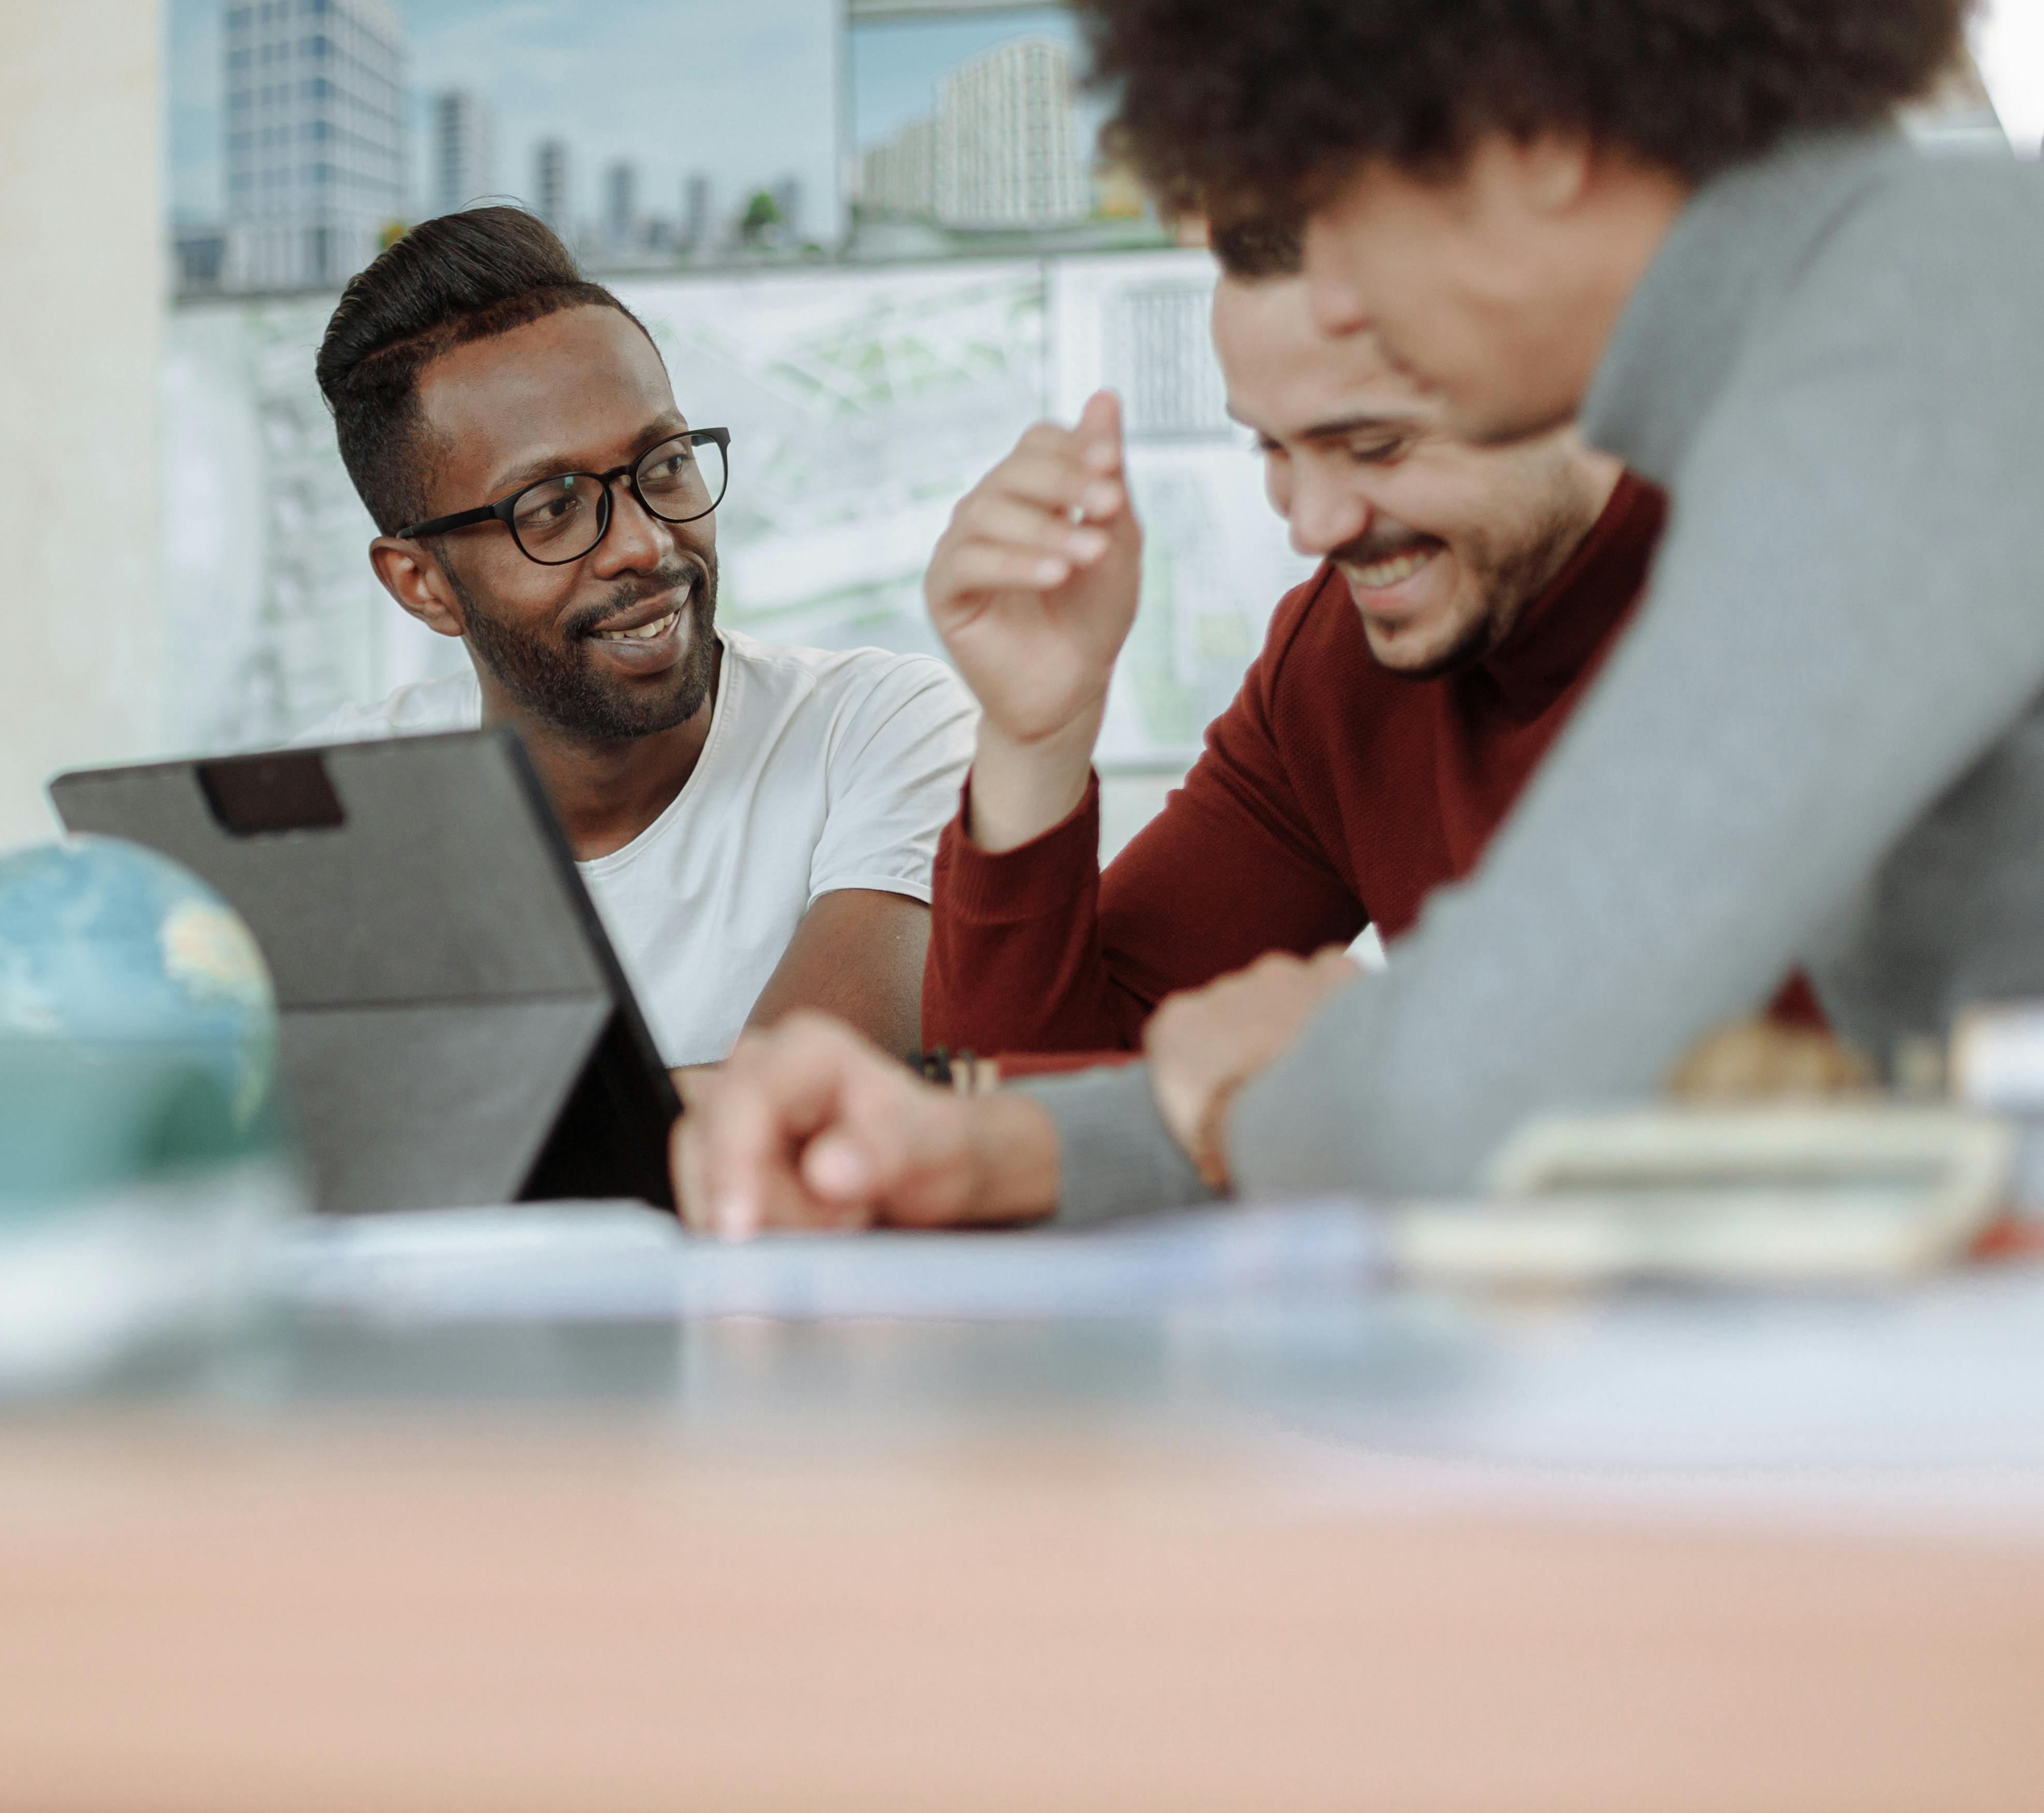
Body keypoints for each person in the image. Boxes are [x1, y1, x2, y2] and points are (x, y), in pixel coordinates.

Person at [673, 0, 2044, 1239]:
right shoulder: (1871, 324)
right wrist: (980, 1150)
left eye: (1343, 215)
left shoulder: (1932, 326)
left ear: (1533, 137)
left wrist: (1315, 1068)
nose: (1333, 298)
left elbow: (1489, 1079)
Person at [924, 217, 1657, 1063]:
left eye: (1375, 446)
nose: (1311, 526)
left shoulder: (1806, 591)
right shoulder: (1341, 663)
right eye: (1272, 445)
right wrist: (1032, 740)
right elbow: (1022, 1110)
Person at [305, 207, 976, 1068]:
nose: (645, 543)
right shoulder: (340, 803)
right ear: (422, 584)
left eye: (663, 465)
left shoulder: (878, 730)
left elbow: (797, 1110)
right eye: (550, 508)